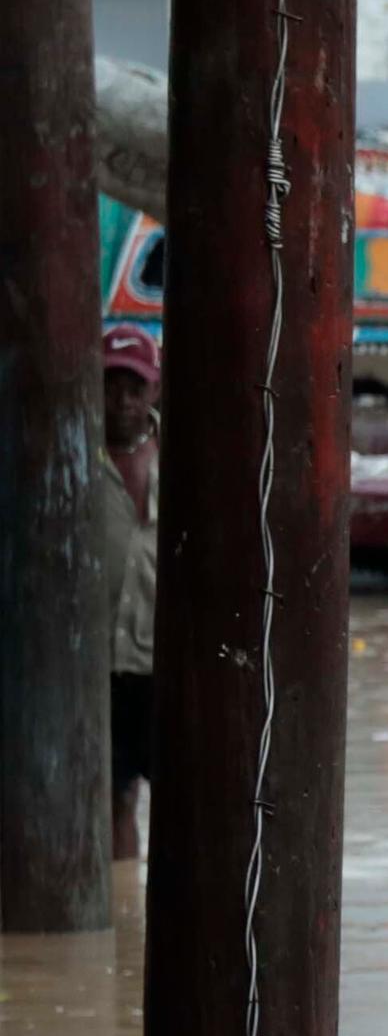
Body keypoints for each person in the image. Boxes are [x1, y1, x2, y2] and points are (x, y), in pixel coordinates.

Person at [98, 341, 159, 862]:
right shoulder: (76, 456)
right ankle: (123, 917)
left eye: (133, 388)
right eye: (111, 386)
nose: (121, 401)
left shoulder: (178, 457)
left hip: (161, 662)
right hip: (98, 664)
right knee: (113, 798)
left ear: (153, 390)